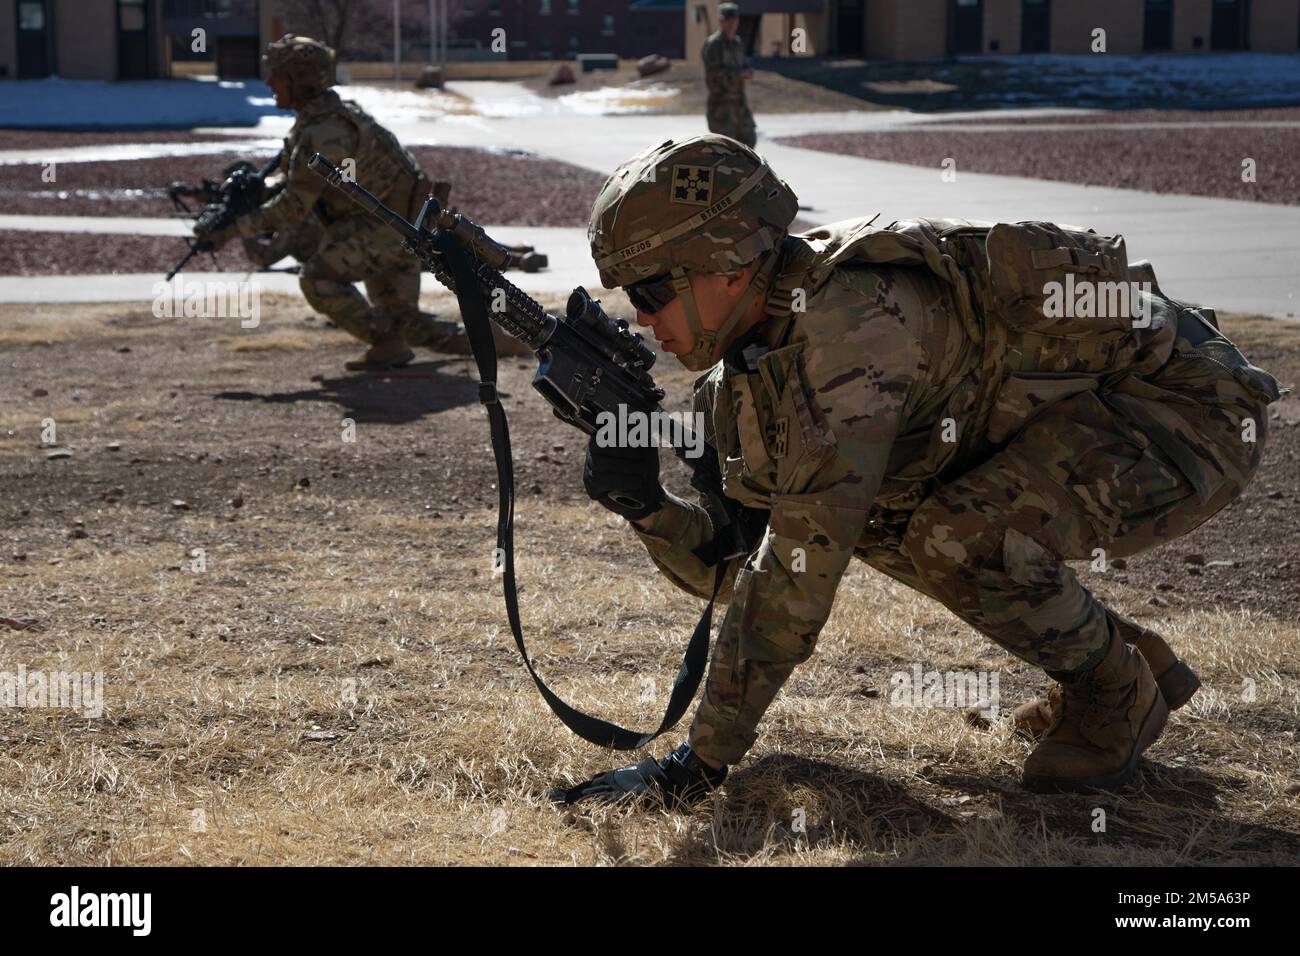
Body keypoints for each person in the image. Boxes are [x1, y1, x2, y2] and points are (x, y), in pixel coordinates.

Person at [553, 134, 1285, 807]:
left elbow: (794, 579)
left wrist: (696, 767)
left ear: (733, 264)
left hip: (1189, 415)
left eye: (652, 291)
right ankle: (1128, 661)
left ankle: (1112, 690)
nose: (643, 318)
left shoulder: (851, 330)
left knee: (950, 533)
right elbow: (741, 559)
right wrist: (646, 506)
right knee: (884, 520)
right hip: (1096, 422)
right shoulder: (746, 363)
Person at [194, 35, 448, 370]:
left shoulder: (324, 132)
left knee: (316, 278)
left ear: (302, 80)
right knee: (406, 324)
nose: (269, 82)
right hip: (393, 225)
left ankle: (391, 342)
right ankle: (501, 341)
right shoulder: (323, 118)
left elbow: (294, 207)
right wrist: (238, 196)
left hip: (384, 228)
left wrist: (234, 229)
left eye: (277, 75)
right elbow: (296, 185)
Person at [701, 2, 756, 148]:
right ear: (721, 21)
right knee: (726, 150)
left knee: (749, 145)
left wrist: (748, 71)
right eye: (728, 20)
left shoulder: (737, 43)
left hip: (739, 104)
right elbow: (713, 74)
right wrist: (739, 74)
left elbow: (743, 64)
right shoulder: (714, 44)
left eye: (734, 20)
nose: (732, 23)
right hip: (721, 106)